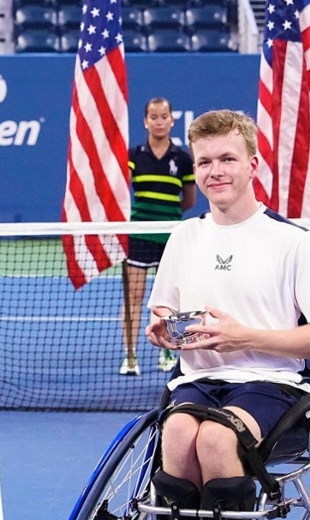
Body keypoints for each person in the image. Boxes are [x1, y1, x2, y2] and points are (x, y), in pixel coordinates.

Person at [143, 110, 310, 520]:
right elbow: (161, 315)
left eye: (227, 158)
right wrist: (163, 331)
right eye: (205, 161)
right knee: (178, 432)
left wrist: (244, 338)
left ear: (253, 164)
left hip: (273, 382)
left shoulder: (293, 242)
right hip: (197, 381)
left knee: (215, 437)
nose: (216, 171)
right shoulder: (183, 238)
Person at [120, 97, 195, 377]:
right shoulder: (134, 155)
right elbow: (118, 190)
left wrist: (168, 218)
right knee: (134, 296)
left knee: (172, 300)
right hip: (138, 235)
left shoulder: (183, 158)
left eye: (164, 116)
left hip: (170, 238)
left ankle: (168, 351)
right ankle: (130, 356)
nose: (159, 121)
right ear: (145, 121)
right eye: (154, 117)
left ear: (172, 120)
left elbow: (188, 200)